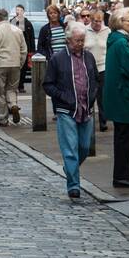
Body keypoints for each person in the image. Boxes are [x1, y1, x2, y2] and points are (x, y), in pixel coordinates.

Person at [43, 21, 99, 199]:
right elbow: (47, 84)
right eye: (77, 41)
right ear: (68, 40)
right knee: (70, 150)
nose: (80, 44)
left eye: (82, 40)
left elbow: (95, 79)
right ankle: (74, 186)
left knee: (83, 147)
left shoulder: (88, 57)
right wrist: (63, 96)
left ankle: (69, 168)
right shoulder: (58, 59)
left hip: (85, 109)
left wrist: (92, 96)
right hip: (66, 110)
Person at [103, 7, 129, 188]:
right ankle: (122, 176)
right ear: (120, 22)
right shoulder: (120, 42)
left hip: (119, 95)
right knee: (124, 140)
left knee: (122, 139)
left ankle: (121, 175)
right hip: (124, 96)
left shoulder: (116, 40)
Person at [0, 8, 27, 127]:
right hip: (15, 64)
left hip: (0, 64)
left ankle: (2, 119)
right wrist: (20, 63)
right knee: (12, 89)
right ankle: (13, 104)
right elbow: (24, 50)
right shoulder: (17, 30)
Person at [84, 6, 110, 131]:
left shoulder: (107, 31)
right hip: (88, 67)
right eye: (95, 21)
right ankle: (86, 119)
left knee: (103, 96)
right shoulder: (85, 31)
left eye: (100, 21)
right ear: (91, 20)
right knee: (89, 95)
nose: (98, 23)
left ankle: (103, 122)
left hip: (103, 66)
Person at [14, 4, 36, 93]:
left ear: (23, 12)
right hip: (14, 49)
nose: (17, 12)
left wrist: (32, 51)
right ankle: (14, 85)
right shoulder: (12, 22)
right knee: (15, 68)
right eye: (16, 10)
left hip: (25, 49)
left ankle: (21, 85)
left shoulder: (28, 23)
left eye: (19, 10)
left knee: (23, 68)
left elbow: (31, 37)